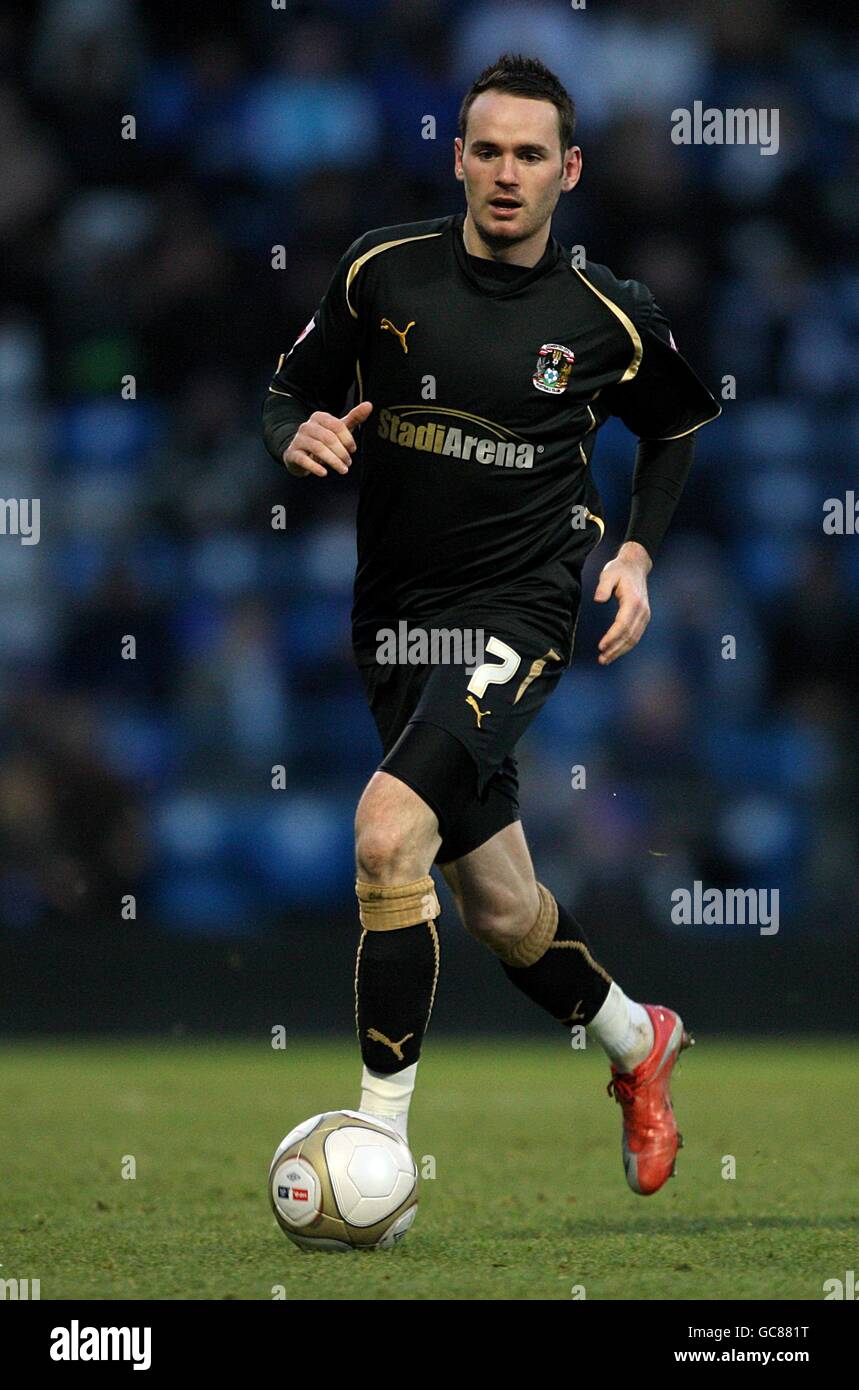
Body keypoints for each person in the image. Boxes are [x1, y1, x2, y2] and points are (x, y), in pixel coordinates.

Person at [262, 53, 720, 1196]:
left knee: (382, 837)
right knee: (504, 910)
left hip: (519, 609)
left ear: (566, 170)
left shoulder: (605, 313)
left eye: (529, 155)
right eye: (487, 150)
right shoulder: (383, 273)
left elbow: (674, 425)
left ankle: (378, 1147)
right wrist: (293, 433)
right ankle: (636, 1041)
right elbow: (290, 385)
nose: (505, 174)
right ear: (455, 156)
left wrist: (635, 550)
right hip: (394, 624)